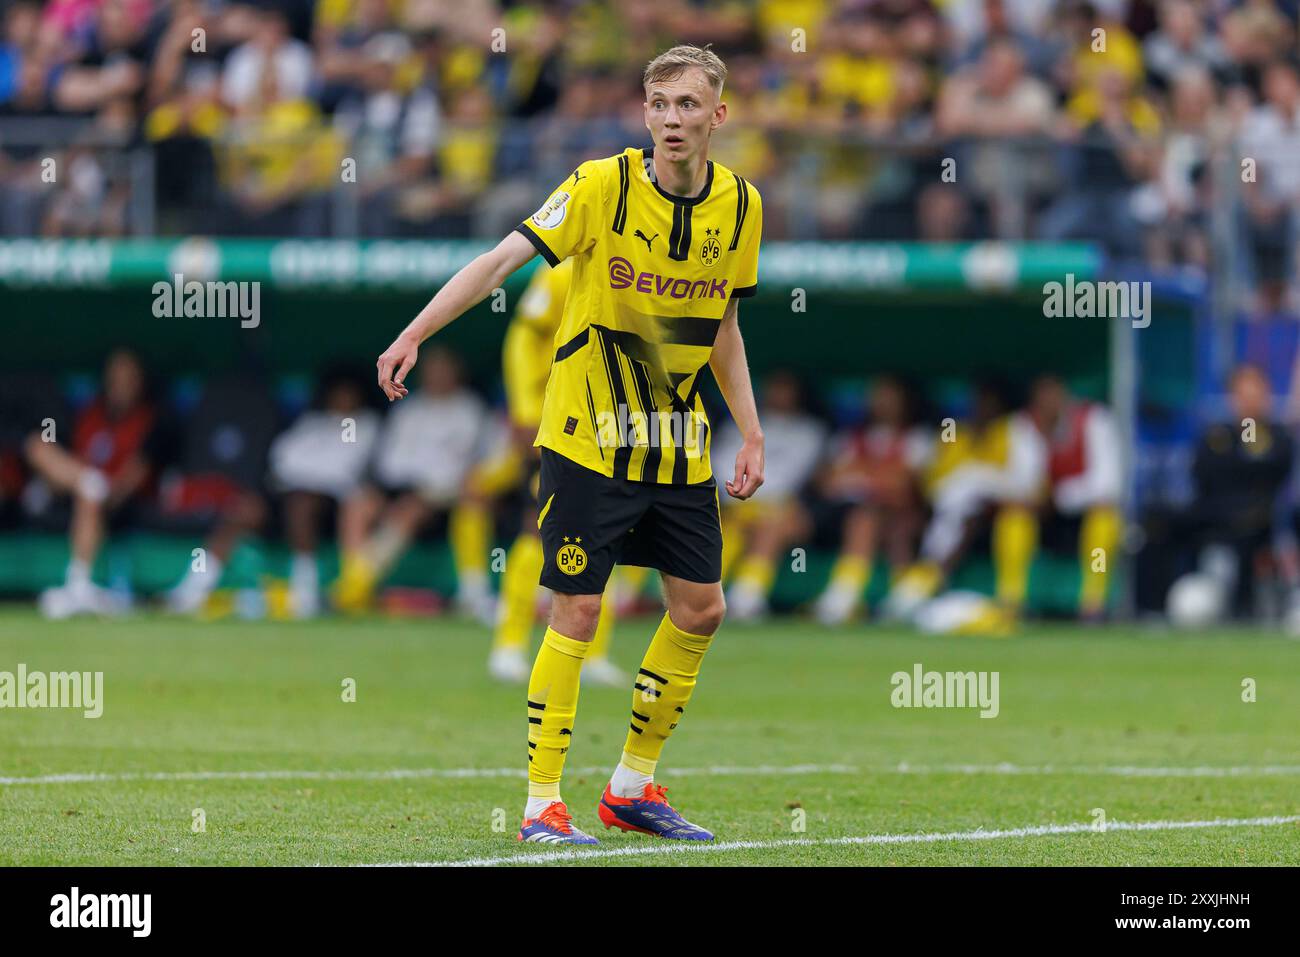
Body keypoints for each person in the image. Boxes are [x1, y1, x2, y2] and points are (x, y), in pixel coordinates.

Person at [374, 45, 764, 845]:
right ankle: (541, 803)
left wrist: (750, 429)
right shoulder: (601, 186)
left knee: (702, 606)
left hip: (677, 445)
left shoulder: (743, 206)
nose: (671, 120)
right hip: (588, 438)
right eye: (659, 104)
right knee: (578, 608)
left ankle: (631, 785)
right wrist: (414, 331)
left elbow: (724, 325)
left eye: (689, 105)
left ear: (718, 116)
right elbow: (500, 263)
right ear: (644, 112)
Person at [486, 256, 627, 687]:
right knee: (538, 527)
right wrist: (525, 406)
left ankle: (594, 652)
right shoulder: (564, 272)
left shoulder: (642, 274)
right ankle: (509, 644)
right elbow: (522, 337)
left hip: (615, 422)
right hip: (559, 420)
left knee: (612, 530)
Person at [333, 346, 495, 620]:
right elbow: (389, 461)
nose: (436, 375)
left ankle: (473, 593)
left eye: (443, 369)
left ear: (456, 373)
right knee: (359, 505)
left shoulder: (471, 409)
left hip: (450, 492)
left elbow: (482, 458)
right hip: (402, 486)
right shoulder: (409, 408)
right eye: (431, 369)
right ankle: (354, 582)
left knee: (417, 508)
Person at [32, 349, 156, 618]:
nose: (120, 386)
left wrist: (105, 492)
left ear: (139, 383)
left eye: (128, 380)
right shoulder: (92, 415)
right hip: (76, 488)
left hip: (116, 503)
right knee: (38, 446)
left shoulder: (148, 422)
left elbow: (133, 478)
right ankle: (88, 484)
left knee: (91, 493)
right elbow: (75, 456)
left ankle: (78, 586)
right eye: (115, 379)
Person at [810, 375, 929, 625]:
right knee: (864, 518)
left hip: (909, 518)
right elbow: (827, 482)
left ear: (905, 401)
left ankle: (902, 599)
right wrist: (879, 478)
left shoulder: (918, 438)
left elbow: (905, 487)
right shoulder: (851, 437)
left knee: (897, 527)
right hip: (845, 516)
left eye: (889, 396)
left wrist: (861, 474)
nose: (881, 402)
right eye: (877, 395)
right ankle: (844, 595)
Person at [267, 369, 380, 618]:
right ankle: (195, 589)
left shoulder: (367, 424)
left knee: (305, 503)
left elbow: (345, 469)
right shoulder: (312, 422)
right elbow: (281, 456)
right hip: (290, 491)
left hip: (337, 499)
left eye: (349, 395)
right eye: (338, 394)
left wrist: (308, 475)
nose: (342, 400)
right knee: (259, 506)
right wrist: (303, 476)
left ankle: (316, 591)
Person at [720, 370, 826, 622]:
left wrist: (758, 501)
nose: (778, 395)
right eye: (774, 388)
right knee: (723, 527)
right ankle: (701, 596)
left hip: (785, 510)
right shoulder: (738, 423)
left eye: (785, 389)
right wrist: (741, 498)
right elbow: (720, 463)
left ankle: (747, 597)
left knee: (770, 526)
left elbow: (796, 473)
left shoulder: (809, 430)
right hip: (734, 504)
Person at [1026, 376, 1123, 620]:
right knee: (1014, 520)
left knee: (1105, 518)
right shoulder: (1026, 427)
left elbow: (1107, 485)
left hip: (1080, 514)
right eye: (1042, 399)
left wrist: (1060, 496)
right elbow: (1022, 482)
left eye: (1053, 395)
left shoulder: (1094, 420)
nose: (1049, 404)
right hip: (1044, 518)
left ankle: (1093, 602)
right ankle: (1013, 601)